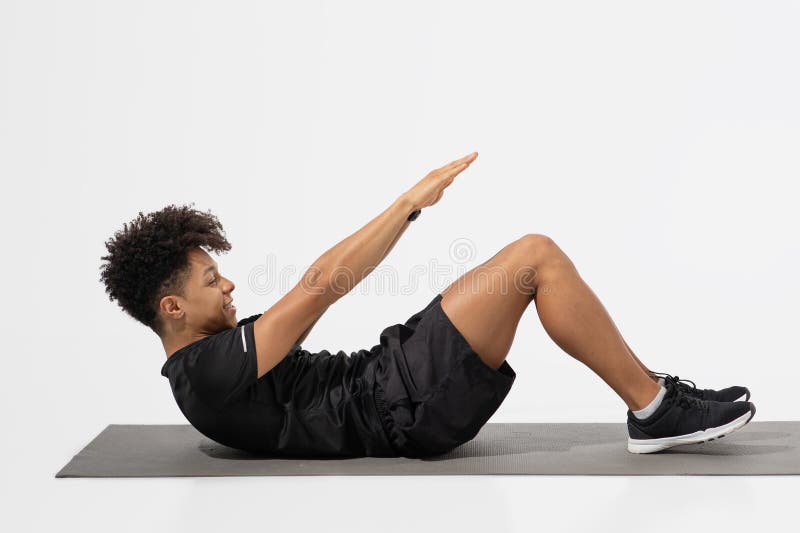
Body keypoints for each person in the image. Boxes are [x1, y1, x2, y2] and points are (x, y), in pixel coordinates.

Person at [99, 152, 755, 458]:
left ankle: (651, 397)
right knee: (535, 257)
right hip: (397, 405)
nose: (228, 286)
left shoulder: (209, 366)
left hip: (389, 384)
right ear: (172, 307)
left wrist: (410, 212)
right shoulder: (204, 372)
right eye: (211, 280)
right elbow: (320, 286)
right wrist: (408, 202)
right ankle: (654, 409)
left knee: (532, 258)